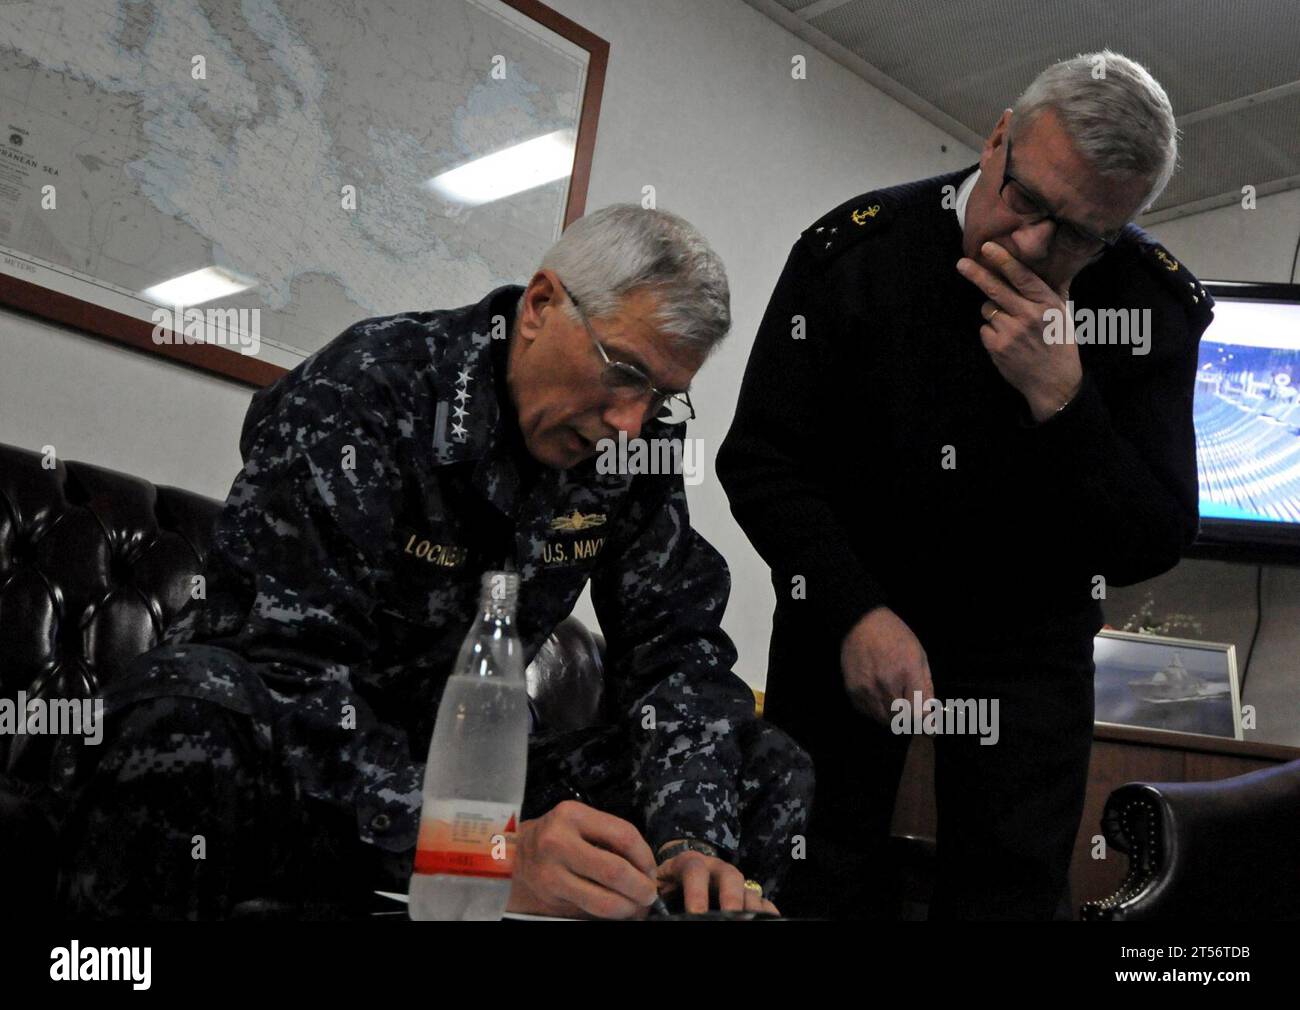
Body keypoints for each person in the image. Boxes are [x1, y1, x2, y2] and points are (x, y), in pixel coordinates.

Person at [52, 205, 812, 920]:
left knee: (760, 762)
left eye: (662, 398)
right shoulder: (370, 387)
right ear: (542, 306)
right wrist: (477, 848)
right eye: (623, 371)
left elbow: (675, 647)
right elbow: (288, 670)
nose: (628, 423)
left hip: (467, 770)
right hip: (310, 763)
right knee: (189, 703)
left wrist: (692, 839)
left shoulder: (632, 448)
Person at [716, 51, 1212, 920]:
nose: (1031, 245)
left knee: (1010, 894)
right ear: (996, 141)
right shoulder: (855, 254)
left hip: (1029, 651)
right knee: (812, 874)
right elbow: (761, 459)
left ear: (1123, 226)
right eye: (1026, 201)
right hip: (845, 612)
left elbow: (1153, 537)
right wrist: (854, 612)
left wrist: (1065, 399)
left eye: (1080, 236)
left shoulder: (1149, 306)